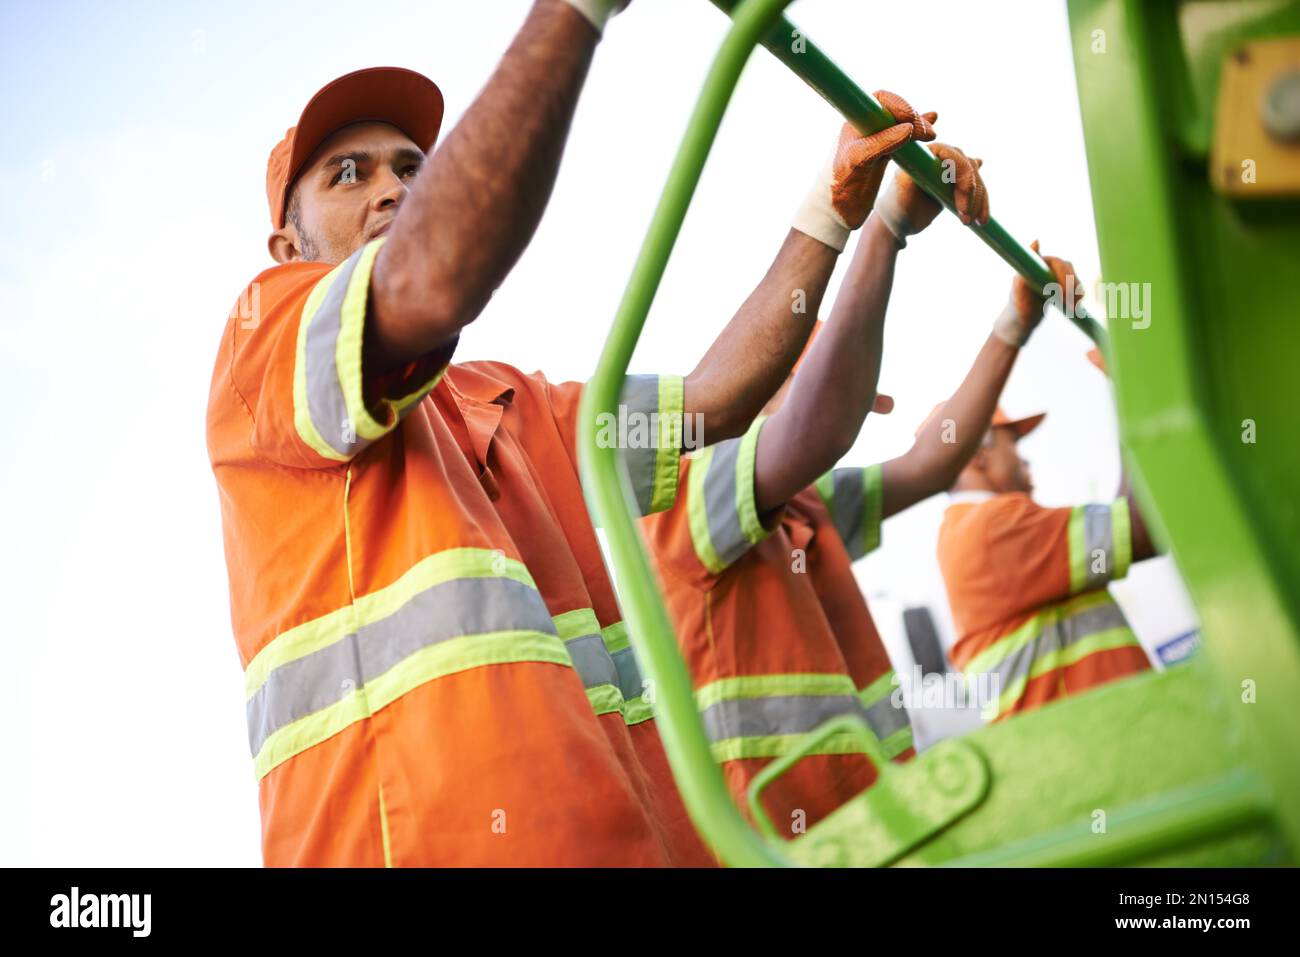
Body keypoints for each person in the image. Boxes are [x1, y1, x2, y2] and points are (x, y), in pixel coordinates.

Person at [206, 0, 934, 864]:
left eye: (410, 166)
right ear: (287, 248)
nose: (394, 187)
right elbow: (433, 281)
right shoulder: (265, 343)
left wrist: (839, 210)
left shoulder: (512, 403)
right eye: (349, 175)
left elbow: (716, 399)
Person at [639, 138, 999, 833]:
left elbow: (932, 463)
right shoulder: (691, 493)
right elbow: (818, 425)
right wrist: (886, 228)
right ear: (767, 388)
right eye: (840, 391)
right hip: (776, 841)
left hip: (869, 826)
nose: (854, 414)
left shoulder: (811, 504)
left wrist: (1013, 322)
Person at [936, 254, 1158, 722]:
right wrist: (1135, 386)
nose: (1024, 458)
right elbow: (1141, 527)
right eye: (1011, 443)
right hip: (1101, 751)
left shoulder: (975, 530)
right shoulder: (989, 527)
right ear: (977, 455)